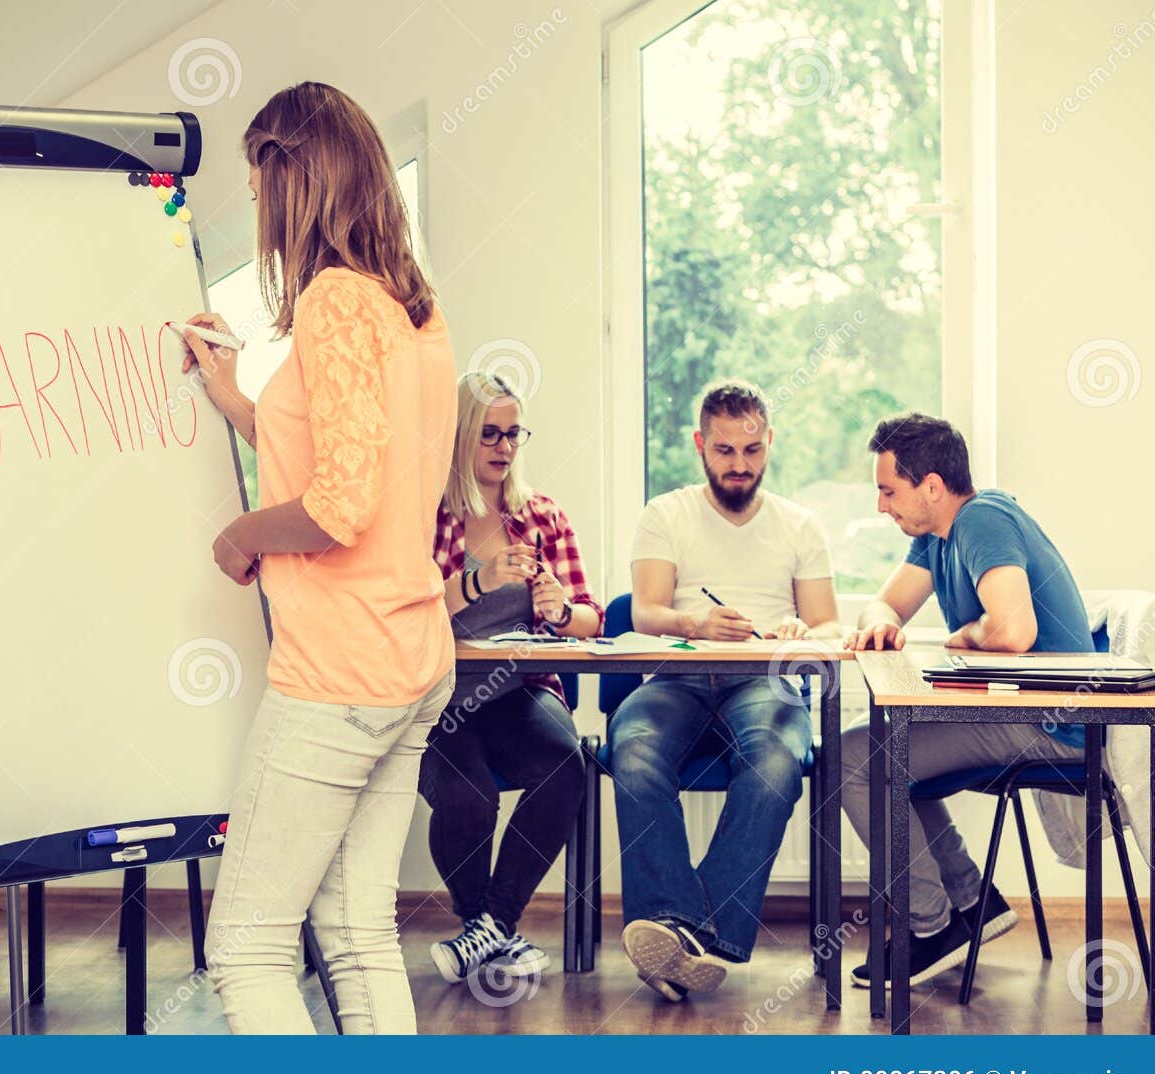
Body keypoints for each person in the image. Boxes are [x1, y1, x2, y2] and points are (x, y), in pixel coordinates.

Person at [178, 82, 457, 1033]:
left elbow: (338, 506)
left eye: (261, 183)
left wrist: (240, 535)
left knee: (247, 947)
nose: (257, 206)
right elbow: (344, 455)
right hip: (410, 656)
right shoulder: (411, 307)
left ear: (295, 178)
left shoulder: (335, 300)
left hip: (340, 670)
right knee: (356, 927)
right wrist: (232, 394)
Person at [840, 413, 1089, 988]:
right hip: (1019, 713)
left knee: (854, 760)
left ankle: (930, 928)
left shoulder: (982, 519)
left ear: (931, 486)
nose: (881, 506)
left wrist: (969, 633)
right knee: (879, 750)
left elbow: (1014, 632)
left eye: (888, 491)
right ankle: (972, 903)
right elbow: (884, 604)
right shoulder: (936, 537)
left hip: (1050, 723)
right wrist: (880, 624)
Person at [610, 380, 839, 1000]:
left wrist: (801, 631)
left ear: (770, 443)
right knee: (633, 749)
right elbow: (645, 613)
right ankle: (687, 932)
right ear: (699, 445)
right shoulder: (665, 514)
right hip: (678, 674)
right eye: (724, 450)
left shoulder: (800, 524)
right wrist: (696, 623)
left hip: (765, 679)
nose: (740, 464)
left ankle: (679, 934)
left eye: (752, 450)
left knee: (776, 761)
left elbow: (828, 625)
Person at [421, 372, 602, 983]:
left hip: (519, 690)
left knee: (566, 765)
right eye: (489, 434)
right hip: (439, 694)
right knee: (466, 795)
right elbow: (406, 614)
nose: (504, 447)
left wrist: (560, 610)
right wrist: (481, 579)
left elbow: (591, 618)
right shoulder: (426, 515)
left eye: (514, 434)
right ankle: (488, 927)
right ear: (459, 436)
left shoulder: (541, 515)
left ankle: (489, 927)